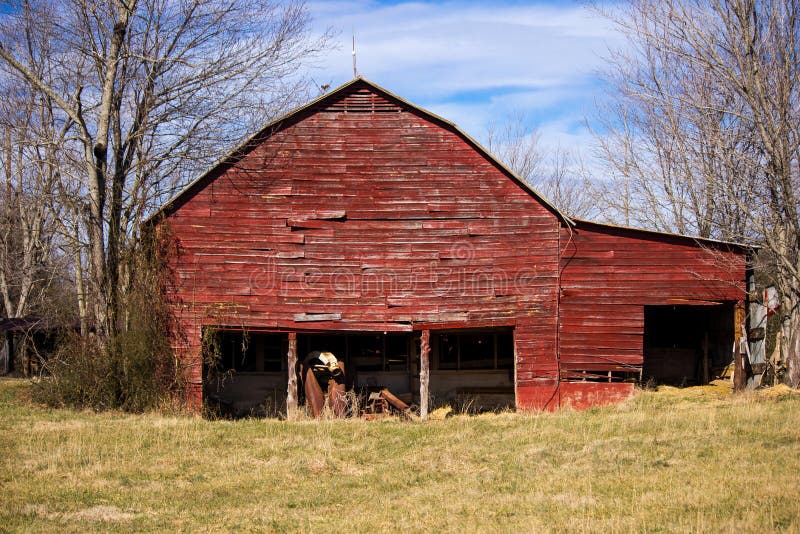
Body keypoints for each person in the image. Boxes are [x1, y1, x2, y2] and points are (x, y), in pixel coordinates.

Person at [300, 351, 346, 418]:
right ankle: (319, 415)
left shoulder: (335, 364)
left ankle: (337, 415)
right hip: (316, 363)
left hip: (327, 364)